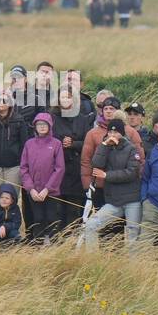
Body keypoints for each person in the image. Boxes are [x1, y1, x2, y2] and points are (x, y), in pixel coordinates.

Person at [81, 118, 143, 250]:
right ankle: (91, 261)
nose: (113, 135)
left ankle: (136, 266)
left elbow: (131, 173)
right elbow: (96, 164)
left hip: (132, 200)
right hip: (114, 201)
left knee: (133, 233)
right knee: (91, 225)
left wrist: (106, 175)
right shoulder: (105, 147)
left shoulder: (132, 149)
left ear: (122, 133)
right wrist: (103, 146)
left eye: (116, 132)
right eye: (110, 132)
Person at [20, 113, 65, 242]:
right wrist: (31, 189)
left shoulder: (56, 144)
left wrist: (47, 189)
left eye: (44, 124)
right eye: (39, 124)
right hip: (34, 192)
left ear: (50, 126)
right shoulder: (29, 144)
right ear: (35, 127)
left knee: (52, 219)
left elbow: (59, 168)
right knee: (37, 219)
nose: (42, 127)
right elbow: (24, 168)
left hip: (51, 192)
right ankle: (38, 246)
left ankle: (52, 247)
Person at [52, 85, 92, 227]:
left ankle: (73, 241)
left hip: (76, 170)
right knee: (57, 210)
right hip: (57, 169)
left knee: (74, 210)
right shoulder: (53, 118)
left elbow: (88, 144)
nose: (65, 100)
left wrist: (73, 144)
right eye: (62, 97)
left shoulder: (83, 119)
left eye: (68, 96)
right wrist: (60, 143)